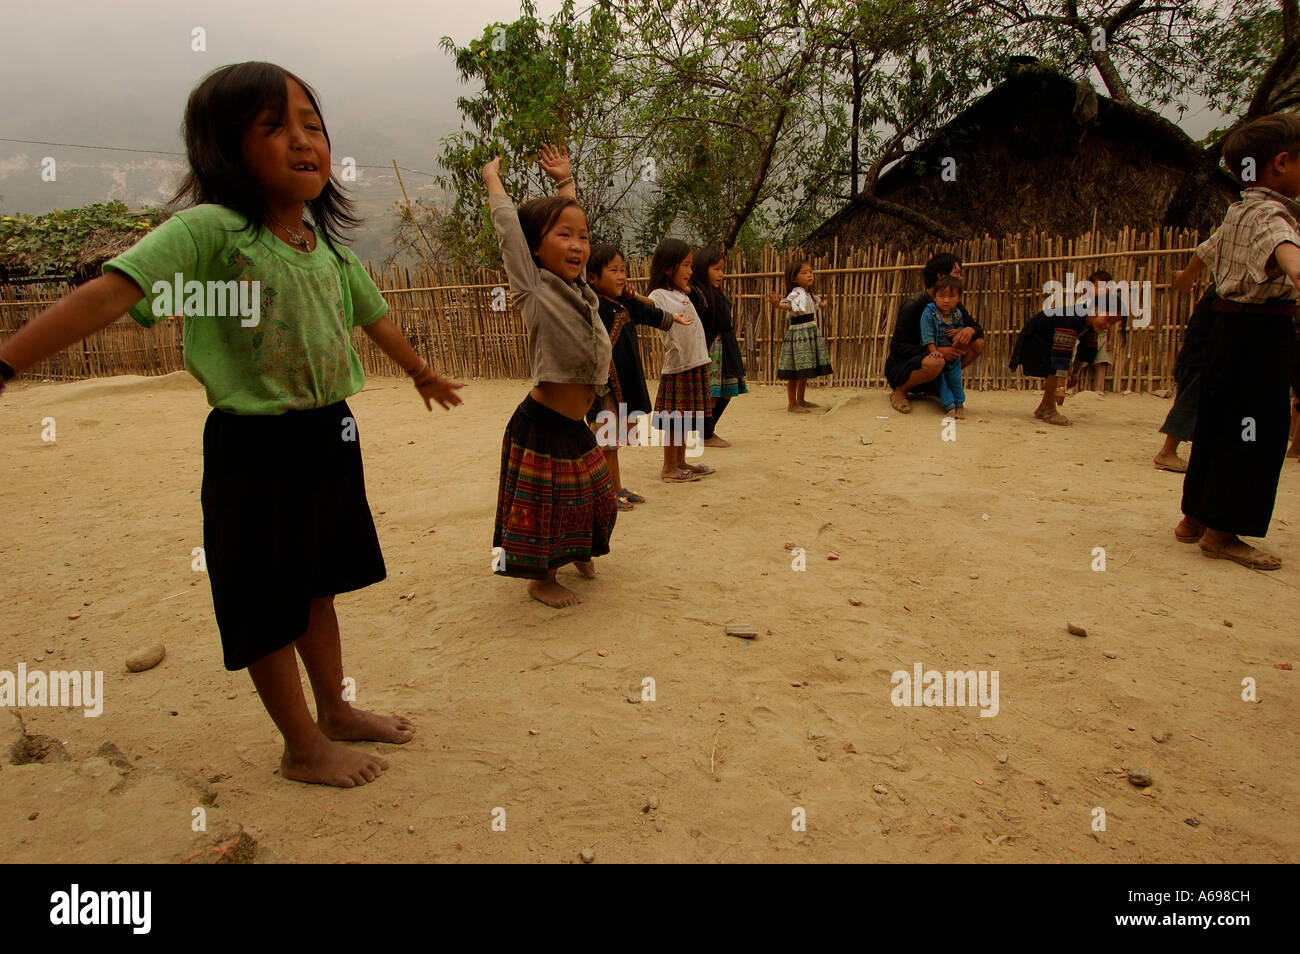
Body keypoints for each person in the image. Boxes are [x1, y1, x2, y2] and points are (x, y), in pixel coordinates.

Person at [0, 62, 465, 788]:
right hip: (255, 448)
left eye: (312, 123)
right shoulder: (212, 235)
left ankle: (336, 711)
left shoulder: (327, 246)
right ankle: (301, 746)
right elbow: (106, 297)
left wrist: (419, 371)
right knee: (263, 600)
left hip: (329, 435)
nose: (303, 139)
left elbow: (371, 314)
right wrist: (7, 363)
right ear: (225, 149)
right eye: (275, 126)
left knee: (318, 588)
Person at [484, 145, 618, 605]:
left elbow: (575, 226)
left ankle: (579, 548)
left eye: (583, 237)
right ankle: (542, 578)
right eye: (564, 236)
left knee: (598, 496)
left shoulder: (580, 288)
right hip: (542, 425)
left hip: (574, 423)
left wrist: (565, 183)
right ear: (535, 249)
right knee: (546, 508)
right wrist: (493, 182)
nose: (578, 245)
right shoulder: (534, 289)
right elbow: (509, 233)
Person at [1171, 113, 1300, 570]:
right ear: (1282, 162)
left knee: (1218, 422)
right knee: (1257, 430)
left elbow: (1204, 253)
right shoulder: (1272, 217)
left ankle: (1194, 517)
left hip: (1226, 331)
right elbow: (1291, 260)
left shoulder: (1238, 209)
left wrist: (1184, 278)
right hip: (1260, 335)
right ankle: (1223, 532)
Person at [585, 243, 692, 508]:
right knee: (605, 443)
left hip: (625, 384)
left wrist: (671, 318)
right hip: (605, 387)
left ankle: (617, 488)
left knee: (614, 443)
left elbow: (649, 312)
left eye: (623, 270)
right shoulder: (591, 308)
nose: (621, 275)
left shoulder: (624, 303)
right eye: (613, 270)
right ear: (592, 278)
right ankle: (605, 495)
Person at [647, 239, 714, 481]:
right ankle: (668, 467)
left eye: (691, 265)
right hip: (678, 365)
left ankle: (681, 461)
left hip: (695, 361)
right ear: (668, 268)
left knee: (686, 416)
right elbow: (648, 306)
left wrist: (687, 289)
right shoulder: (659, 295)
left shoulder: (680, 293)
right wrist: (632, 296)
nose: (690, 271)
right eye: (685, 266)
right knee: (675, 418)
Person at [1008, 285, 1123, 426]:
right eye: (1108, 319)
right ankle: (1049, 410)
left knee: (1057, 364)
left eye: (1113, 323)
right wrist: (1060, 388)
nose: (1108, 325)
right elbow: (1061, 355)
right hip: (1035, 337)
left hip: (1050, 341)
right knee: (1054, 366)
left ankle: (1043, 407)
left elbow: (1087, 351)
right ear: (1096, 310)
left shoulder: (1089, 325)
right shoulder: (1071, 318)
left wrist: (1075, 374)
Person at [886, 253, 985, 413]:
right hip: (905, 367)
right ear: (941, 276)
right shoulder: (914, 306)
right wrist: (935, 350)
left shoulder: (953, 305)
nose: (961, 278)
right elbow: (897, 347)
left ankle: (939, 384)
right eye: (957, 273)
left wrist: (969, 329)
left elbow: (977, 329)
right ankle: (900, 391)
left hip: (938, 362)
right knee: (935, 361)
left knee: (977, 344)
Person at [1153, 286, 1218, 472]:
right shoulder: (1224, 292)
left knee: (1203, 402)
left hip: (1201, 352)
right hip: (1202, 355)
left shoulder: (1222, 290)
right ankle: (1167, 452)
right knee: (1191, 400)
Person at [689, 246, 748, 447]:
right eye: (716, 269)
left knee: (726, 391)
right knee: (711, 394)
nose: (721, 274)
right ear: (702, 269)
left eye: (723, 269)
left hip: (726, 346)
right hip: (712, 347)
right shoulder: (697, 294)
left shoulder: (717, 294)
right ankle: (705, 434)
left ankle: (706, 430)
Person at [766, 259, 833, 411]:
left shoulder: (809, 294)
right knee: (795, 371)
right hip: (799, 335)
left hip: (809, 332)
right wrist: (777, 304)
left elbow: (815, 305)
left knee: (805, 370)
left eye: (810, 271)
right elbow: (787, 305)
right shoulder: (796, 293)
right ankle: (792, 404)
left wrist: (822, 305)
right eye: (804, 273)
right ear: (794, 278)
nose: (810, 275)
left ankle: (801, 400)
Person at [920, 273, 968, 418]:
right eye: (942, 296)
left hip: (954, 355)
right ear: (935, 297)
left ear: (959, 298)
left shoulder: (957, 314)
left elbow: (962, 327)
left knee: (955, 378)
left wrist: (959, 332)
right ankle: (949, 406)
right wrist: (933, 351)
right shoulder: (929, 314)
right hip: (938, 355)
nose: (946, 300)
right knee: (942, 380)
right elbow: (927, 334)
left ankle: (960, 404)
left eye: (951, 296)